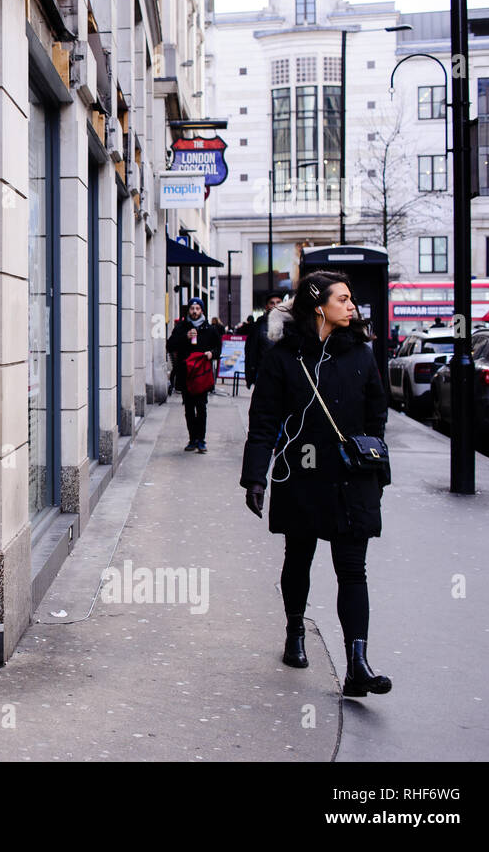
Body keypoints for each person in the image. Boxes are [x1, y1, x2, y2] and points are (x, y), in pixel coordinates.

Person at [239, 271, 392, 697]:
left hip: (352, 479)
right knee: (299, 557)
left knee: (352, 570)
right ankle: (294, 632)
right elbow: (264, 421)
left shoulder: (361, 353)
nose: (351, 306)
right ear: (317, 305)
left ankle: (357, 663)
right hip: (302, 474)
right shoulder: (284, 358)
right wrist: (255, 477)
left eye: (351, 299)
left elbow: (377, 411)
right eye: (342, 299)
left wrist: (372, 454)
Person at [167, 297, 221, 452]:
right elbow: (170, 345)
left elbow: (218, 348)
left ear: (202, 310)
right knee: (189, 408)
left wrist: (212, 353)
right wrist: (185, 337)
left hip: (202, 375)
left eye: (198, 308)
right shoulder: (182, 327)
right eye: (192, 308)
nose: (195, 311)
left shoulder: (209, 329)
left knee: (201, 407)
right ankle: (192, 439)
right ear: (188, 310)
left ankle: (201, 440)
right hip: (186, 374)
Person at [243, 291, 285, 389]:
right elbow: (250, 350)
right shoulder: (258, 325)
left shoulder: (289, 324)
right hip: (263, 371)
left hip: (283, 371)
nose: (275, 305)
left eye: (278, 302)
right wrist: (250, 374)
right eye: (272, 303)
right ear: (266, 307)